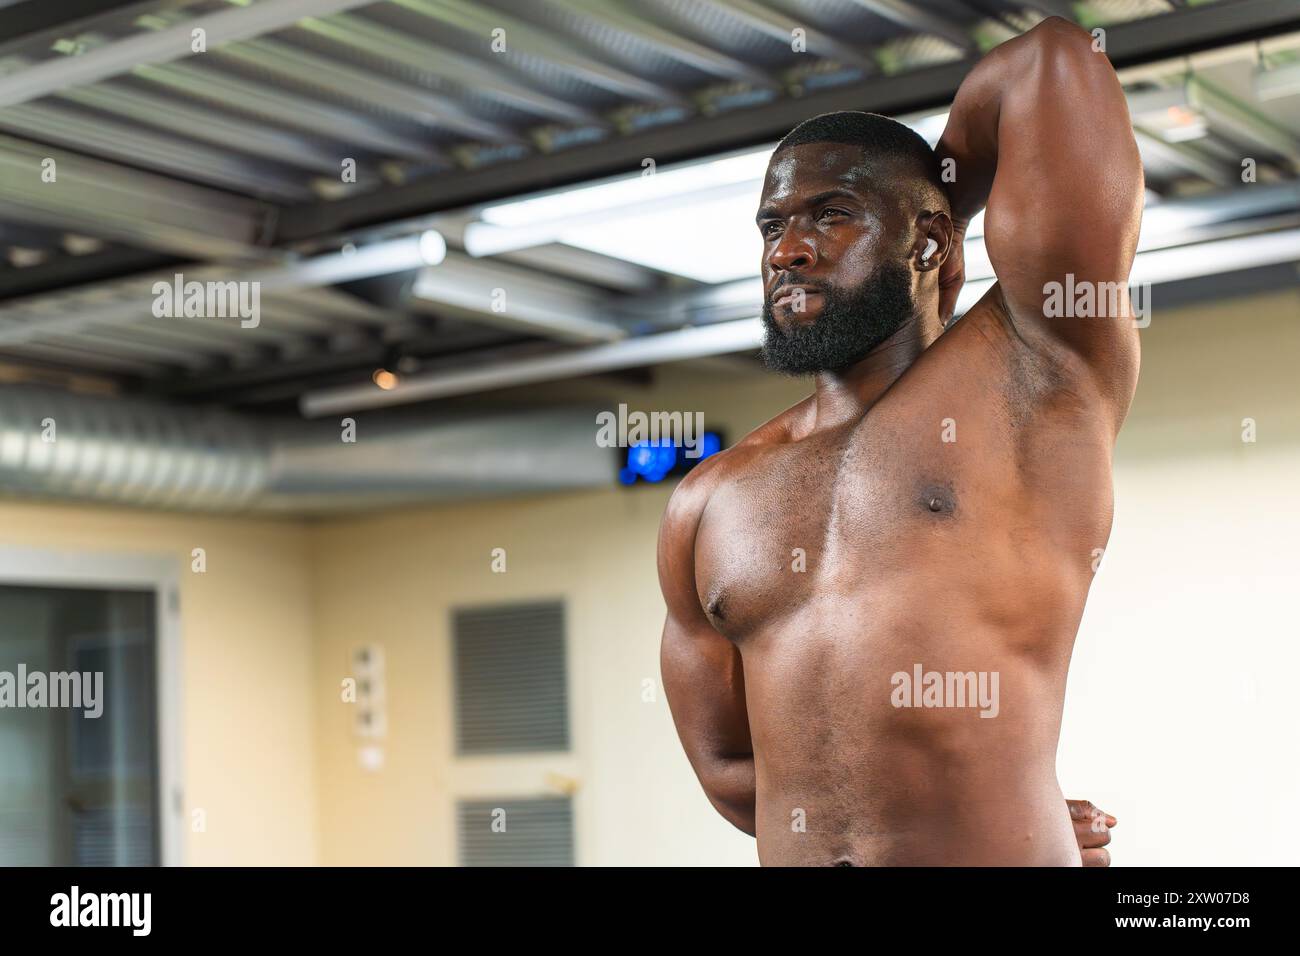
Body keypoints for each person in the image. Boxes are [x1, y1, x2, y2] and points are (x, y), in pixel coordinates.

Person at [658, 16, 1140, 865]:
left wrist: (934, 189)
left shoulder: (1038, 369)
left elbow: (1053, 60)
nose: (790, 252)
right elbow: (730, 769)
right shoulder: (709, 500)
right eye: (774, 228)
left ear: (929, 240)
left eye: (832, 216)